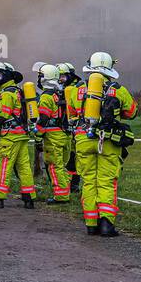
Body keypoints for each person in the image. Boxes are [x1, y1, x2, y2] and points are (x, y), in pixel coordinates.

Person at [74, 51, 138, 236]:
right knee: (107, 181)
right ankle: (106, 225)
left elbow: (72, 111)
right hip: (108, 141)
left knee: (88, 181)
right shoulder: (118, 89)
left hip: (84, 139)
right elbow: (132, 112)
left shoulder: (77, 89)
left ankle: (91, 224)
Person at [0, 63, 36, 209]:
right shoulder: (17, 91)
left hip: (9, 137)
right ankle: (29, 197)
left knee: (4, 166)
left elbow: (1, 115)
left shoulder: (7, 93)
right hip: (21, 135)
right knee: (24, 167)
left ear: (7, 76)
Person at [36, 64, 72, 204]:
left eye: (40, 76)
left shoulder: (46, 97)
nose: (39, 79)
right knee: (62, 165)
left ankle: (61, 196)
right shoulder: (60, 93)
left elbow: (44, 118)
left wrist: (37, 134)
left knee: (54, 165)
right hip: (64, 134)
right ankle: (66, 191)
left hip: (53, 137)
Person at [58, 62, 83, 194]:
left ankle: (74, 185)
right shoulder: (67, 89)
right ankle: (71, 185)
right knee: (72, 156)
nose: (60, 79)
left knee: (74, 157)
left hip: (74, 128)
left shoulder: (74, 89)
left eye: (62, 76)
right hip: (69, 127)